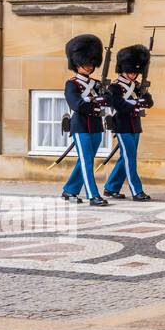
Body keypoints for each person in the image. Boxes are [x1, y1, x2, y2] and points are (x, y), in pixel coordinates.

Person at [60, 34, 109, 206]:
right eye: (86, 63)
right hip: (80, 126)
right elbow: (76, 104)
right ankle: (92, 195)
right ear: (77, 63)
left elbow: (108, 100)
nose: (89, 66)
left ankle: (69, 190)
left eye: (91, 63)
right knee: (87, 161)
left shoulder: (97, 83)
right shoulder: (72, 84)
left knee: (85, 160)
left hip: (95, 125)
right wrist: (94, 102)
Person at [102, 44, 154, 201]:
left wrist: (141, 100)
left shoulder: (137, 87)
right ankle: (136, 191)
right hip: (122, 126)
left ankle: (111, 187)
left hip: (135, 125)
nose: (133, 74)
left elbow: (149, 102)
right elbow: (119, 105)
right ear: (122, 69)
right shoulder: (115, 87)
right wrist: (138, 103)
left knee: (125, 158)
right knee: (130, 158)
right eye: (131, 71)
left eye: (136, 72)